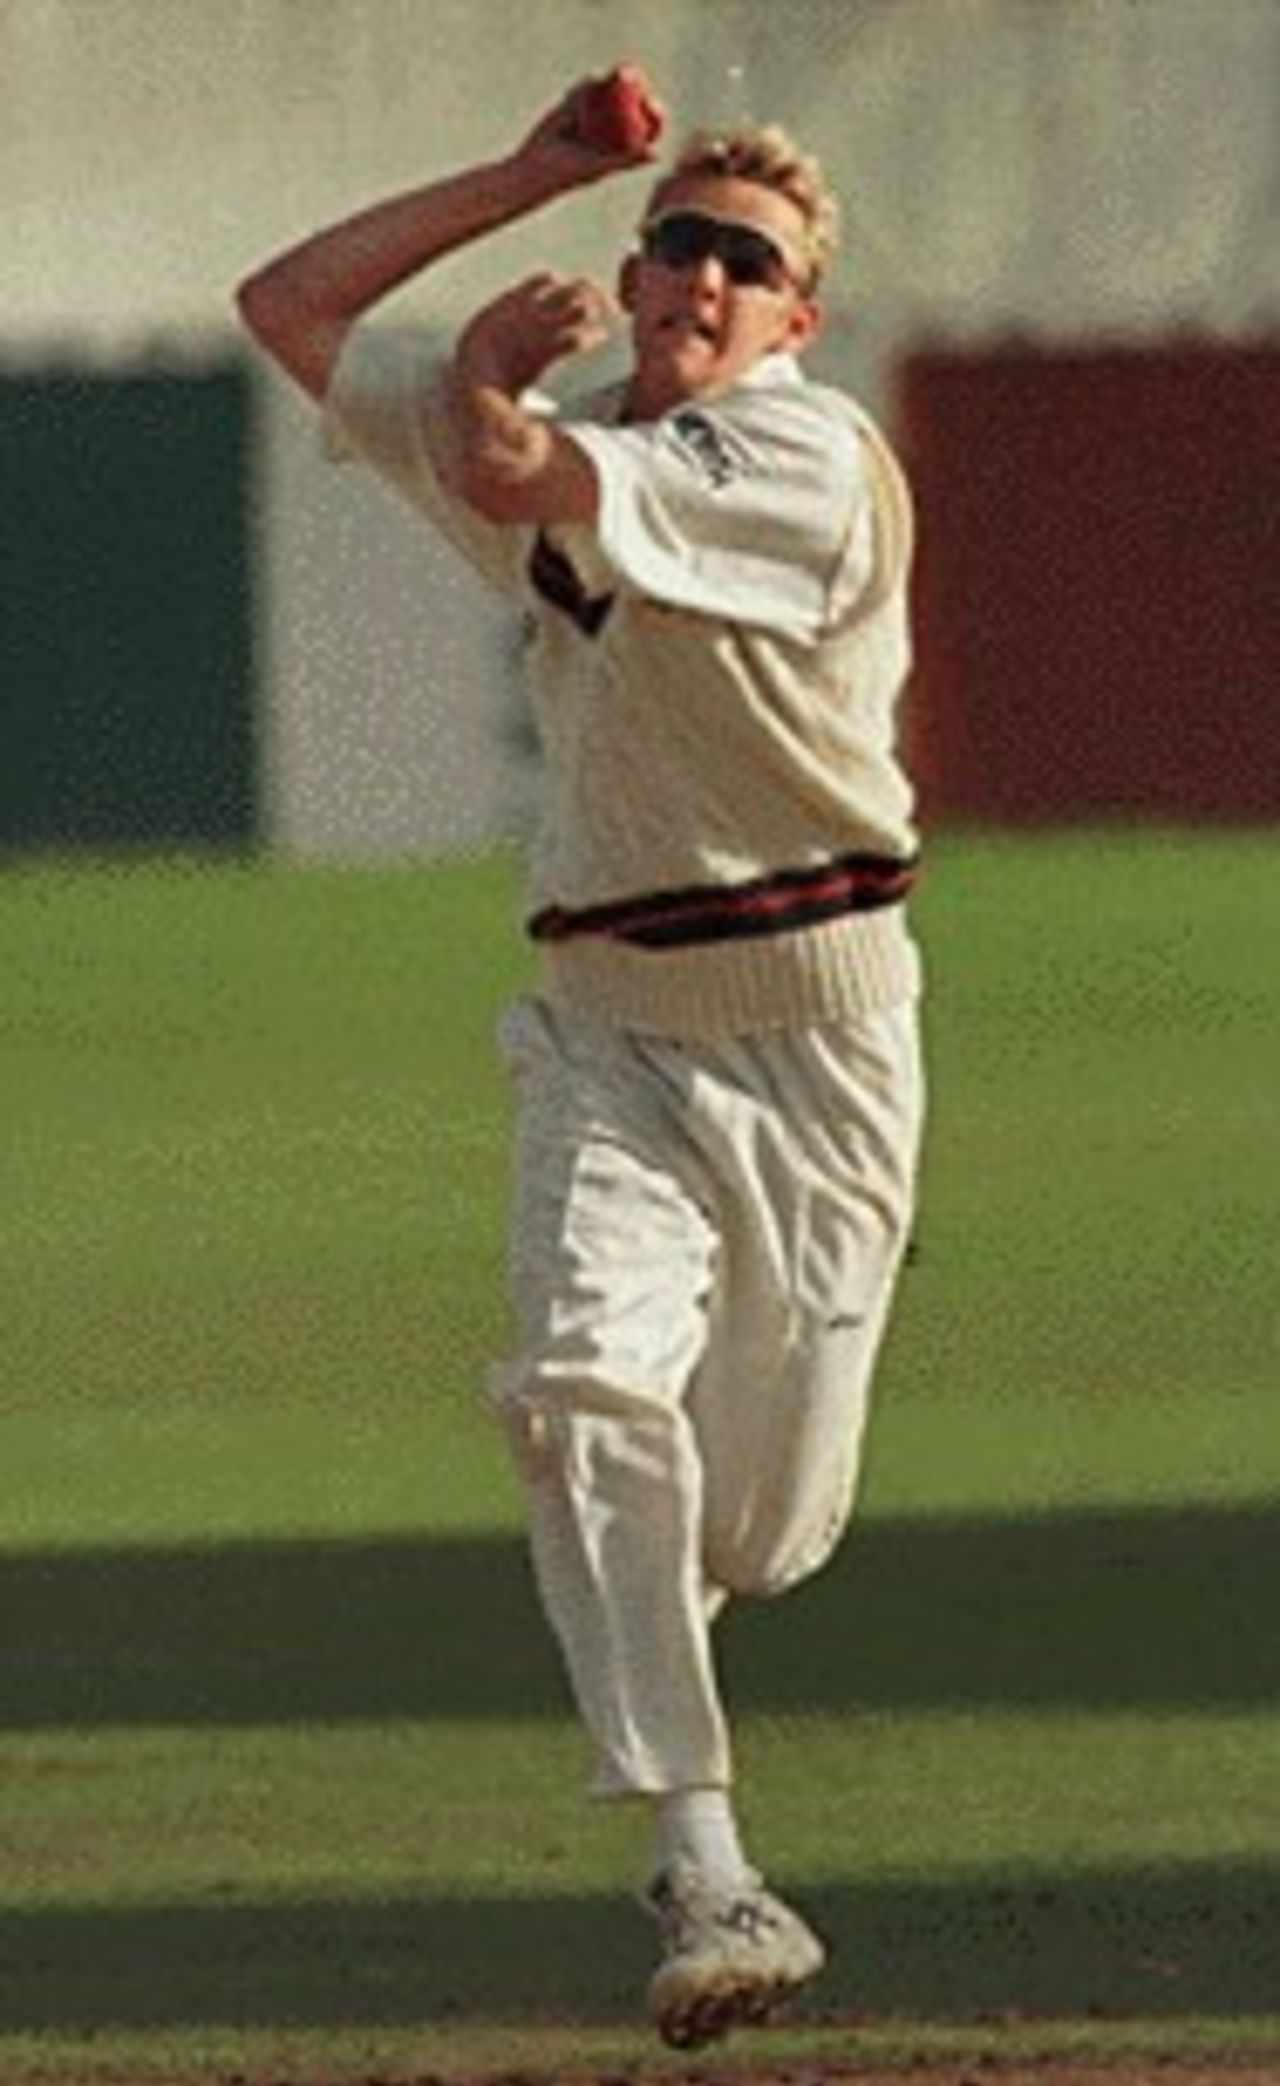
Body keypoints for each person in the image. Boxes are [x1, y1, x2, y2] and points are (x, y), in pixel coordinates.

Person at [236, 62, 925, 2053]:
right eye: (677, 242)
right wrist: (524, 177)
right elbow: (287, 306)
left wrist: (476, 394)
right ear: (635, 274)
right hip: (610, 1016)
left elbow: (529, 480)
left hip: (820, 1029)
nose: (703, 275)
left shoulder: (804, 461)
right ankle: (705, 1863)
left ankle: (663, 1636)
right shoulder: (587, 417)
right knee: (577, 1386)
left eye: (748, 260)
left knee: (757, 1533)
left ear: (796, 316)